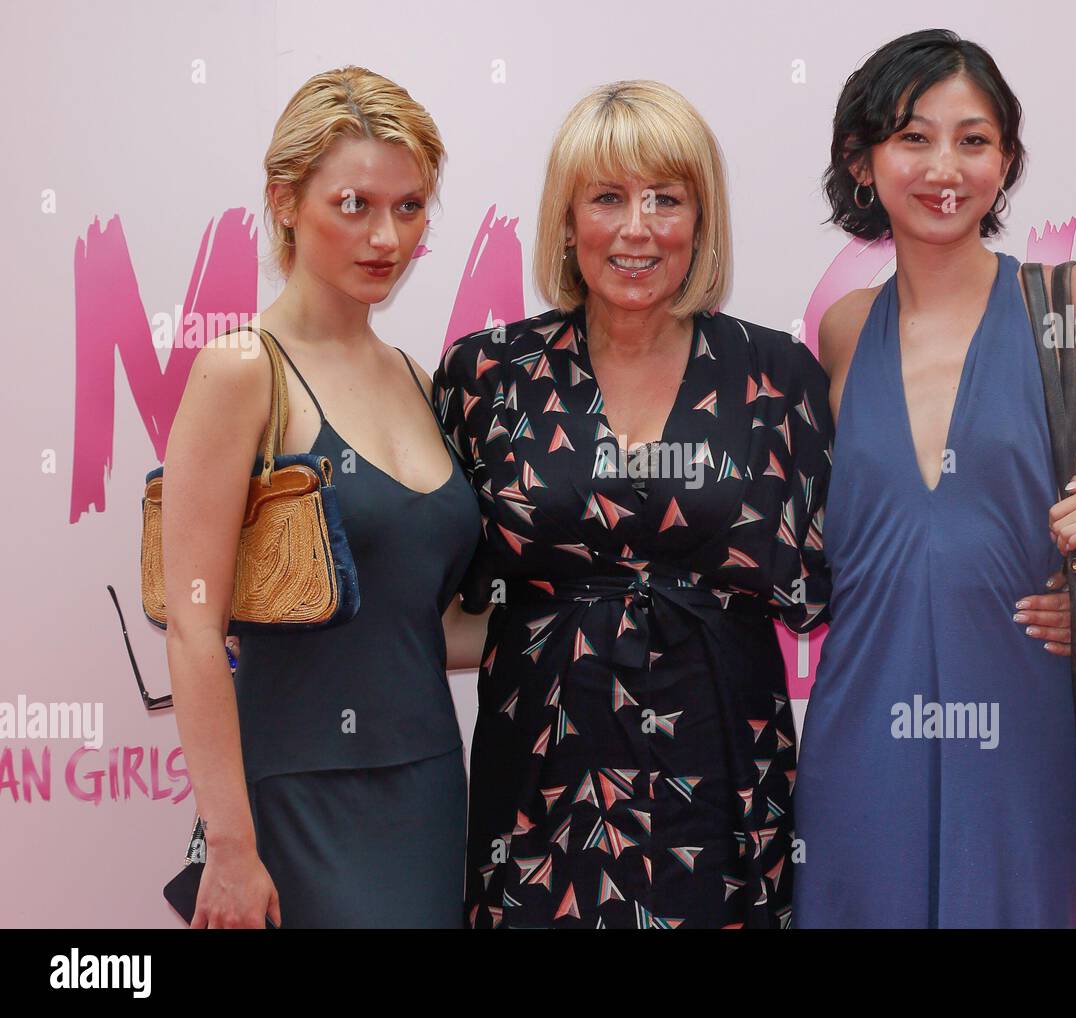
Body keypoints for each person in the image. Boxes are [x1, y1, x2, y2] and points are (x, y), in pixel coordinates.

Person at [792, 30, 1076, 928]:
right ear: (863, 160)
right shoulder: (843, 329)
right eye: (912, 137)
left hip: (1018, 707)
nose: (944, 167)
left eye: (974, 139)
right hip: (860, 715)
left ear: (1006, 162)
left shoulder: (1070, 308)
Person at [434, 80, 834, 928]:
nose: (637, 228)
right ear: (567, 218)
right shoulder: (487, 375)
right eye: (607, 198)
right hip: (539, 770)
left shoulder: (776, 377)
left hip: (723, 765)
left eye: (667, 199)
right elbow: (429, 585)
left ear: (702, 217)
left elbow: (852, 572)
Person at [163, 66, 484, 928]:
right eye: (355, 204)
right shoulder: (242, 372)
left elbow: (421, 619)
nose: (387, 236)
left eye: (411, 207)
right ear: (285, 201)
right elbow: (195, 622)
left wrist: (606, 608)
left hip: (428, 785)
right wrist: (230, 848)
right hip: (295, 797)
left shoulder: (421, 379)